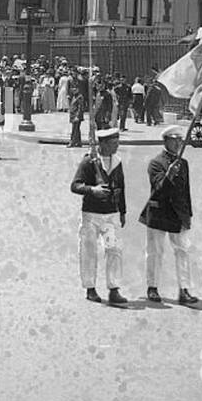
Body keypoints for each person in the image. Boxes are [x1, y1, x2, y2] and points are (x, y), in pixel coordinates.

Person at [140, 125, 198, 306]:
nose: (178, 143)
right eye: (174, 140)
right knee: (155, 252)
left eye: (180, 140)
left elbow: (185, 191)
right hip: (159, 212)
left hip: (178, 213)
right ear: (165, 141)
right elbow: (159, 188)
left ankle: (184, 289)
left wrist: (188, 214)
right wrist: (169, 175)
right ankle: (152, 287)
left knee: (183, 251)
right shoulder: (156, 163)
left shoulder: (183, 163)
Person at [71, 127, 128, 306]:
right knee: (89, 251)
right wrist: (92, 190)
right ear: (103, 144)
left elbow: (121, 187)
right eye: (113, 143)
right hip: (92, 214)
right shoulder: (89, 161)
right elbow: (75, 185)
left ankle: (114, 288)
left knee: (114, 250)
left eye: (117, 142)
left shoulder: (117, 162)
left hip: (111, 214)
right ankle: (90, 288)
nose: (116, 146)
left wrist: (122, 211)